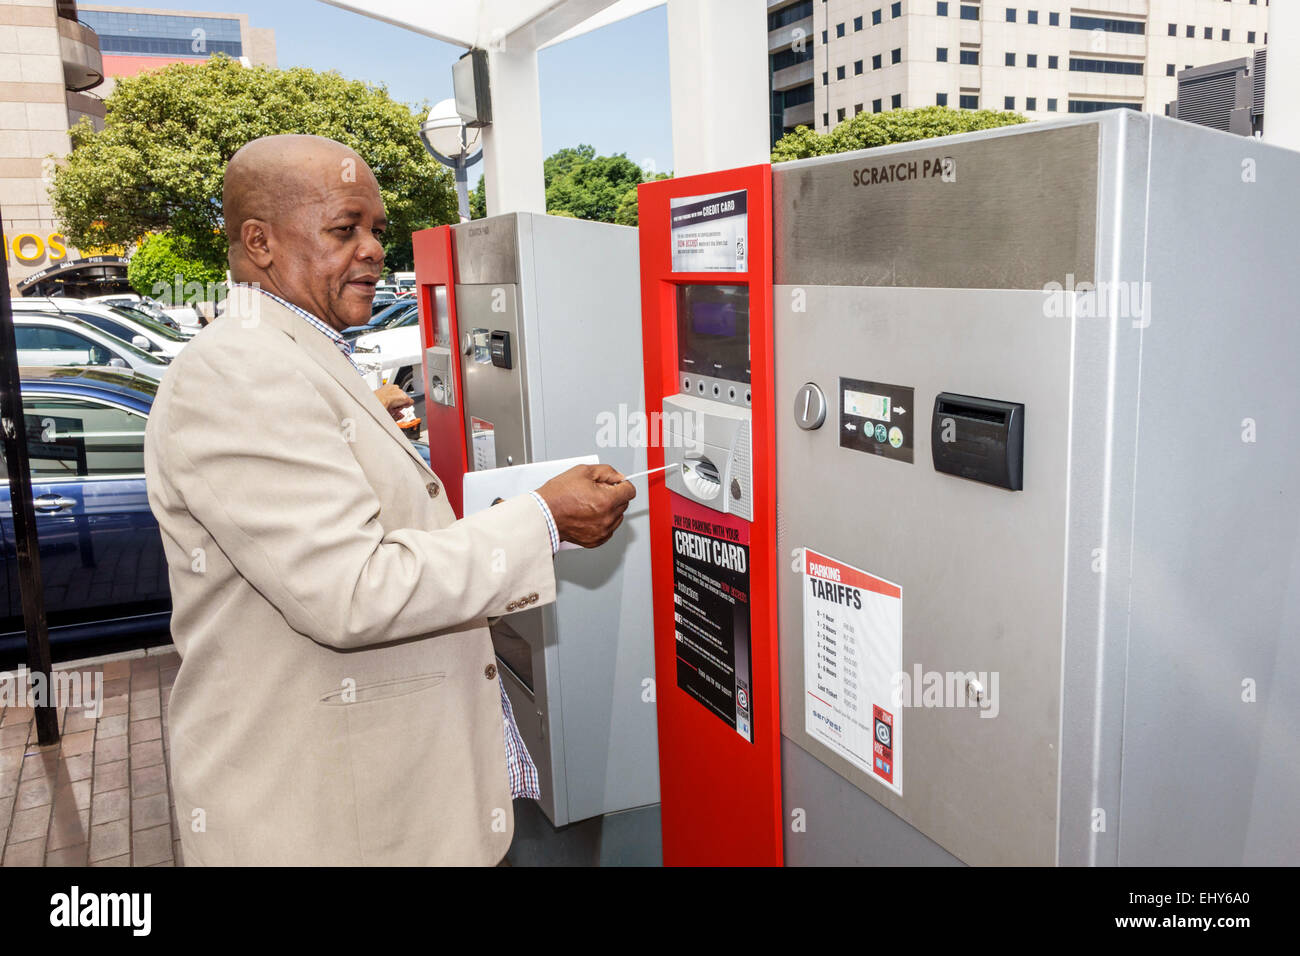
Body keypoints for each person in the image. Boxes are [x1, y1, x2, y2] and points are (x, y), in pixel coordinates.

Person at [143, 134, 635, 865]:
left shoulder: (296, 353)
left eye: (375, 229)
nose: (374, 249)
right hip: (332, 827)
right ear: (260, 242)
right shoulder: (244, 370)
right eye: (345, 229)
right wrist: (542, 520)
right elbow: (353, 591)